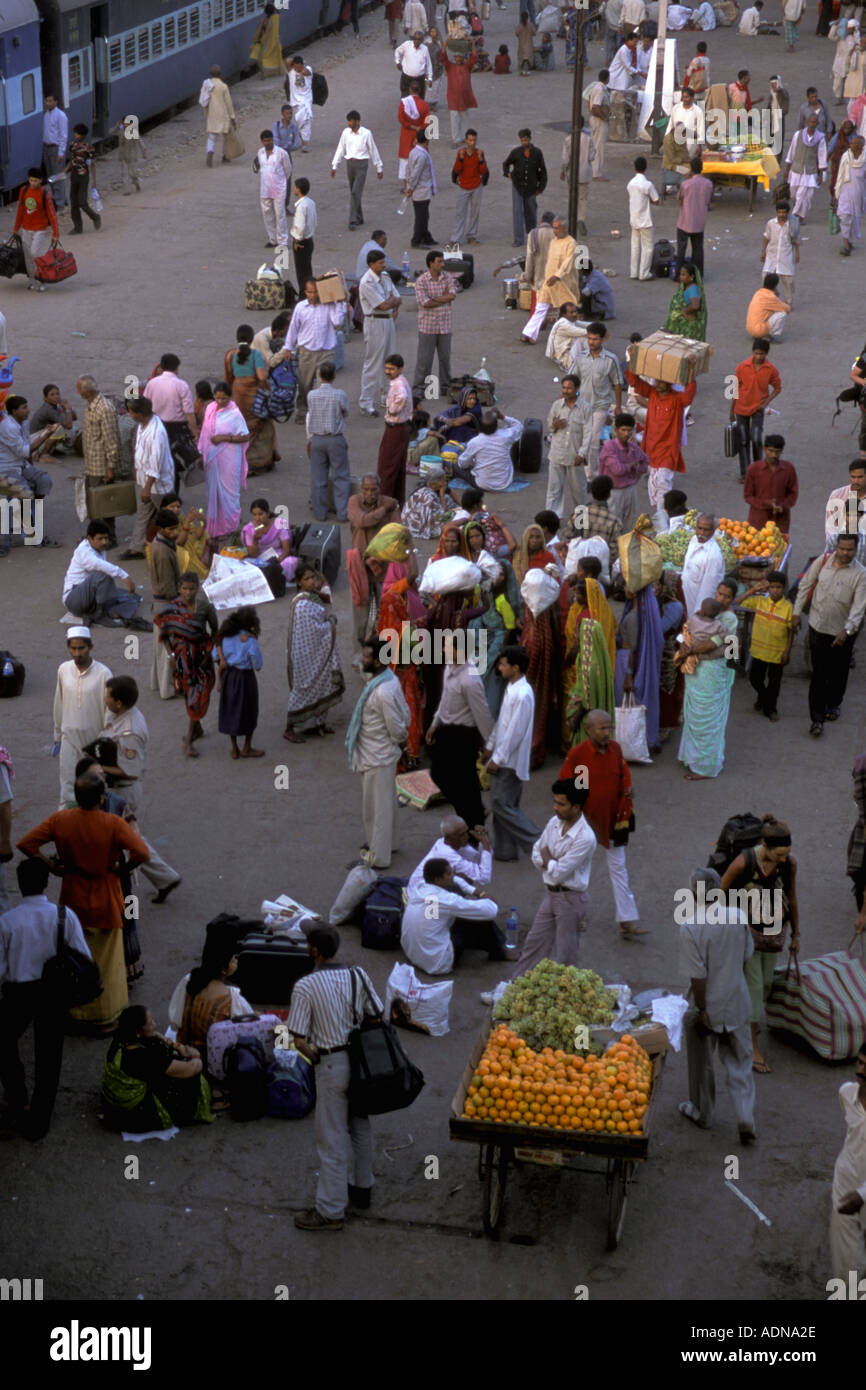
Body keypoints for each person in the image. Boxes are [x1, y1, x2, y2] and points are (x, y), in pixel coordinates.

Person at [17, 771, 150, 1034]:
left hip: (73, 898)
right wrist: (121, 869)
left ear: (77, 798)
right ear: (102, 798)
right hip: (107, 897)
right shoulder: (112, 823)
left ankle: (76, 1012)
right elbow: (142, 853)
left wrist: (52, 866)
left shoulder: (61, 819)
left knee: (74, 956)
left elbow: (26, 843)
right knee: (109, 963)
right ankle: (104, 1018)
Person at [288, 924, 382, 1230]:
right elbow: (376, 1013)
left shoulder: (305, 985)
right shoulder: (358, 974)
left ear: (314, 950)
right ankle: (363, 1186)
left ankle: (329, 1210)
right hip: (362, 1062)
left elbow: (299, 1038)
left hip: (331, 1064)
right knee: (360, 1124)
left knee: (331, 1138)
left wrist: (313, 1053)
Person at [0, 858, 90, 1141]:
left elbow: (1, 969)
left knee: (5, 1043)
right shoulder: (64, 916)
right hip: (53, 992)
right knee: (49, 1056)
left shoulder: (7, 922)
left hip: (18, 993)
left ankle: (18, 1100)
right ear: (46, 882)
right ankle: (40, 1120)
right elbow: (83, 957)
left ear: (20, 884)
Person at [677, 867, 756, 1143]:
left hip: (709, 1005)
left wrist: (702, 1010)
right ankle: (745, 1116)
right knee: (741, 1061)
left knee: (702, 1063)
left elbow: (698, 977)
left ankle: (703, 1113)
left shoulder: (690, 926)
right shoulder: (737, 916)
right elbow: (746, 955)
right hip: (737, 999)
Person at [720, 816, 799, 1074]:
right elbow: (719, 893)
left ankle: (741, 1016)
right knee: (755, 988)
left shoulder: (789, 865)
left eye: (786, 854)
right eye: (779, 854)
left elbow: (792, 897)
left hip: (773, 936)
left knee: (765, 984)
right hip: (747, 934)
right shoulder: (744, 861)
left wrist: (796, 935)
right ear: (765, 845)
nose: (784, 859)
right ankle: (752, 1045)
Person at [559, 709, 643, 937]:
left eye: (610, 728)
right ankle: (574, 916)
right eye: (602, 728)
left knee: (619, 869)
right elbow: (569, 789)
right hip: (585, 825)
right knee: (577, 871)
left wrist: (628, 788)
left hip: (614, 821)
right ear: (589, 730)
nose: (608, 732)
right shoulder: (578, 756)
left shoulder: (615, 749)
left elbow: (623, 773)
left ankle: (626, 920)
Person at [514, 780, 596, 974]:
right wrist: (549, 861)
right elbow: (537, 851)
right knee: (534, 944)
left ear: (576, 807)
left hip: (570, 900)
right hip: (551, 895)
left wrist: (547, 860)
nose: (555, 807)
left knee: (566, 955)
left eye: (561, 804)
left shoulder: (585, 837)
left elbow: (559, 873)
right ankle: (516, 985)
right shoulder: (554, 823)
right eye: (555, 802)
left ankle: (565, 997)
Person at [346, 638, 410, 868]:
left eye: (366, 657)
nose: (363, 660)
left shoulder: (382, 691)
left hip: (378, 755)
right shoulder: (386, 680)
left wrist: (398, 744)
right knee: (386, 803)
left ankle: (379, 856)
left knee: (376, 808)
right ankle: (388, 844)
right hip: (378, 753)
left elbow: (396, 728)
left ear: (379, 661)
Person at [793, 535, 866, 734]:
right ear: (837, 547)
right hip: (817, 627)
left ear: (855, 549)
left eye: (849, 550)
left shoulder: (860, 574)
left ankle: (834, 703)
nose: (844, 553)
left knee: (838, 671)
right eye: (842, 549)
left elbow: (859, 607)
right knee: (818, 674)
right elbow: (806, 585)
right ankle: (817, 719)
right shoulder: (823, 561)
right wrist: (796, 613)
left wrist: (847, 630)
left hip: (842, 633)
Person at [101, 1005, 212, 1131]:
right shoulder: (145, 1056)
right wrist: (195, 1057)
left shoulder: (120, 1040)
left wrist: (170, 1043)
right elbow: (191, 1069)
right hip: (136, 1113)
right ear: (138, 1032)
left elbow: (156, 1038)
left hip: (111, 1106)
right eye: (150, 1022)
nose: (155, 1024)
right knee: (192, 1079)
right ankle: (185, 1114)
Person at [426, 632, 494, 826]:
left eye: (448, 647)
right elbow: (444, 699)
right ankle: (471, 816)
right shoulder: (450, 667)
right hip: (447, 732)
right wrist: (434, 723)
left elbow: (483, 714)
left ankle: (474, 825)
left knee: (465, 783)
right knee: (442, 775)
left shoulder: (470, 680)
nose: (443, 650)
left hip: (463, 737)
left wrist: (490, 745)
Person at [482, 646, 540, 861]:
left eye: (503, 664)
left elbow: (516, 731)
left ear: (515, 668)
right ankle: (505, 850)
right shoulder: (511, 688)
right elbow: (502, 722)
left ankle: (538, 841)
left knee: (501, 805)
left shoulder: (523, 694)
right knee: (505, 805)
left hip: (509, 760)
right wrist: (490, 746)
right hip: (503, 755)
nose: (499, 668)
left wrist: (498, 758)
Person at [678, 579, 738, 779]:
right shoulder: (705, 612)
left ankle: (705, 766)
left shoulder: (728, 620)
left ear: (732, 598)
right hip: (697, 671)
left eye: (727, 596)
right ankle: (692, 757)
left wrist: (690, 649)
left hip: (711, 672)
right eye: (719, 593)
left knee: (707, 717)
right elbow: (686, 633)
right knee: (694, 713)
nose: (721, 598)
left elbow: (713, 644)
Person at [153, 572, 218, 757]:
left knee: (201, 692)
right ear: (179, 588)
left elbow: (214, 630)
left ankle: (196, 729)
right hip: (183, 659)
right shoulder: (172, 609)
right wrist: (172, 654)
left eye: (191, 589)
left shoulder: (205, 607)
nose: (188, 592)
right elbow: (164, 633)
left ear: (197, 589)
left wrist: (210, 651)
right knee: (192, 695)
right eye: (184, 589)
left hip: (202, 657)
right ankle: (189, 738)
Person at [402, 859, 502, 974]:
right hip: (438, 963)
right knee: (474, 917)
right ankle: (499, 951)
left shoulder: (419, 889)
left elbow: (456, 880)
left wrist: (470, 889)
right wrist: (484, 896)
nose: (452, 876)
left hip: (413, 954)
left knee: (450, 907)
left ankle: (496, 947)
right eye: (449, 874)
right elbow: (490, 911)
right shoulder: (447, 900)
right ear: (438, 880)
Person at [53, 629, 112, 808]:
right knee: (68, 788)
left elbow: (109, 712)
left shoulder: (104, 674)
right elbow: (59, 702)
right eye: (73, 648)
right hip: (69, 739)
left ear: (90, 647)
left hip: (94, 743)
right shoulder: (63, 670)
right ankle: (66, 829)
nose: (77, 653)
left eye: (82, 648)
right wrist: (57, 736)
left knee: (97, 787)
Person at [829, 1043, 866, 1280]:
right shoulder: (846, 1093)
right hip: (845, 1186)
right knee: (848, 1272)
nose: (861, 1071)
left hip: (862, 1194)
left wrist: (862, 1195)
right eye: (860, 1062)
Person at [569, 323, 624, 479]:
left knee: (593, 441)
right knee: (581, 438)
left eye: (595, 339)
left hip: (600, 406)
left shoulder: (611, 360)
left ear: (602, 340)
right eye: (589, 338)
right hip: (582, 405)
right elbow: (572, 378)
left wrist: (618, 406)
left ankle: (591, 476)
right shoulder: (580, 358)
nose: (591, 342)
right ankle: (587, 471)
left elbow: (617, 384)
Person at [286, 278, 346, 418]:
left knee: (323, 387)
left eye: (315, 292)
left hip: (326, 352)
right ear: (305, 292)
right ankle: (302, 411)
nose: (312, 295)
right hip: (307, 352)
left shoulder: (329, 305)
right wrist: (287, 348)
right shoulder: (300, 307)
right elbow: (293, 329)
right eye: (310, 292)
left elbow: (338, 322)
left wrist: (339, 302)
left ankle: (319, 414)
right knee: (304, 385)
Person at [62, 522, 142, 628]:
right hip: (74, 600)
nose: (104, 542)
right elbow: (101, 565)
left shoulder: (99, 548)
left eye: (106, 538)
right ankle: (99, 616)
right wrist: (125, 576)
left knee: (132, 598)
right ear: (90, 538)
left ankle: (96, 612)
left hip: (90, 596)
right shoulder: (84, 552)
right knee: (103, 576)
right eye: (100, 539)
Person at [738, 570, 794, 720]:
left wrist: (787, 652)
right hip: (759, 651)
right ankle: (763, 698)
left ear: (784, 588)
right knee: (755, 679)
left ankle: (770, 709)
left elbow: (791, 632)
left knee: (774, 684)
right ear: (767, 589)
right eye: (772, 587)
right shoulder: (759, 602)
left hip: (777, 653)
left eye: (778, 587)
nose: (775, 591)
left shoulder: (788, 608)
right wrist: (753, 590)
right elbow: (736, 603)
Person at [198, 382, 249, 541]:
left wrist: (224, 438)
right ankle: (216, 526)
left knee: (230, 492)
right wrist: (202, 453)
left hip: (229, 456)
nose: (220, 401)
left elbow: (245, 436)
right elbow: (205, 432)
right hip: (212, 457)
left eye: (224, 398)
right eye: (217, 397)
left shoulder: (235, 413)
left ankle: (231, 526)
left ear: (230, 397)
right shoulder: (210, 409)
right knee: (214, 492)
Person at [124, 397, 175, 559]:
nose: (130, 415)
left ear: (140, 413)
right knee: (143, 515)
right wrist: (135, 467)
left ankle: (176, 546)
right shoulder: (142, 425)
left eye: (131, 412)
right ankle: (137, 547)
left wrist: (146, 488)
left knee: (169, 517)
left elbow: (155, 465)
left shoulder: (156, 433)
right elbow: (140, 449)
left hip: (157, 486)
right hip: (143, 480)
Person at [76, 376, 123, 548]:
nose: (78, 393)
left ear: (87, 391)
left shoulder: (105, 409)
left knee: (105, 506)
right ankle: (95, 537)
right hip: (92, 464)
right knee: (95, 505)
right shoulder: (91, 406)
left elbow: (111, 441)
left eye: (80, 390)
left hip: (101, 467)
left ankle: (109, 538)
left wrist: (111, 467)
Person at [520, 215, 582, 344]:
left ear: (564, 228)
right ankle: (528, 333)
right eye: (554, 228)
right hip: (549, 281)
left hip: (564, 283)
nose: (554, 231)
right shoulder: (553, 241)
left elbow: (568, 263)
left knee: (569, 312)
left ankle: (577, 336)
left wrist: (557, 276)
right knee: (541, 307)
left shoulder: (571, 243)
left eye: (557, 228)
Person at [142, 354, 199, 492]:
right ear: (177, 368)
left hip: (155, 426)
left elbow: (145, 407)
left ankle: (157, 491)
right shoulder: (182, 385)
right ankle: (173, 495)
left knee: (157, 461)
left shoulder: (152, 383)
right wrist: (195, 434)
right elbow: (189, 414)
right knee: (175, 463)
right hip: (176, 430)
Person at [730, 339, 782, 483]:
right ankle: (746, 473)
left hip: (758, 409)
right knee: (743, 441)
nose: (759, 356)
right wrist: (731, 411)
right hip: (741, 408)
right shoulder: (742, 367)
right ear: (752, 352)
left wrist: (765, 403)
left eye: (762, 354)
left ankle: (759, 471)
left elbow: (777, 388)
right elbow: (734, 389)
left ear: (766, 354)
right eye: (756, 353)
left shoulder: (770, 369)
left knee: (757, 439)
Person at [305, 361, 350, 523]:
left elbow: (310, 413)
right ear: (334, 376)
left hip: (317, 439)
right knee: (341, 476)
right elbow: (345, 412)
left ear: (319, 375)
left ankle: (320, 513)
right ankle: (343, 513)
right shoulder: (340, 394)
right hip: (335, 438)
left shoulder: (311, 395)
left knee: (318, 478)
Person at [217, 606, 264, 760]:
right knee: (249, 710)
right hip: (245, 678)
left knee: (230, 710)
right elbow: (257, 665)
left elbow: (215, 656)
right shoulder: (249, 640)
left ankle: (235, 749)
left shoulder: (225, 636)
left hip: (228, 677)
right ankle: (247, 747)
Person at [359, 250, 401, 417]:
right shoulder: (366, 282)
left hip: (388, 320)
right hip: (374, 322)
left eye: (384, 262)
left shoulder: (385, 277)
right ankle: (366, 402)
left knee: (390, 358)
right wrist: (391, 302)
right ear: (371, 264)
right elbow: (382, 305)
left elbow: (397, 298)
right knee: (373, 362)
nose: (384, 265)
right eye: (381, 263)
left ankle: (386, 396)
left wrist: (391, 303)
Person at [413, 250, 458, 397]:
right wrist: (444, 297)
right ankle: (420, 388)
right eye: (439, 261)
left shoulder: (448, 277)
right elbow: (424, 302)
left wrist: (434, 298)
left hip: (444, 326)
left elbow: (453, 295)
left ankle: (445, 386)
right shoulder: (421, 281)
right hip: (427, 326)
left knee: (445, 358)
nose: (442, 264)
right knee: (424, 359)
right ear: (431, 263)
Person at [545, 375, 590, 520]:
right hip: (557, 455)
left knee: (579, 493)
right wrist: (555, 426)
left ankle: (581, 523)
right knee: (554, 491)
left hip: (575, 457)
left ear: (577, 389)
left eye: (569, 388)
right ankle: (551, 521)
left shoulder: (585, 408)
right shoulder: (557, 405)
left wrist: (582, 454)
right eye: (564, 387)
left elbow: (588, 434)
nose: (566, 391)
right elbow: (550, 427)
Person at [330, 110, 384, 232]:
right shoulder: (345, 133)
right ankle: (359, 217)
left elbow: (373, 150)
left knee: (355, 191)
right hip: (350, 164)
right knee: (354, 191)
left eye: (351, 121)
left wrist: (378, 167)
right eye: (348, 121)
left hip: (362, 164)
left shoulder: (366, 134)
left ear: (357, 121)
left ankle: (352, 220)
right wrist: (335, 165)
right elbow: (340, 149)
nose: (349, 123)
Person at [598, 412, 649, 529]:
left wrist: (636, 470)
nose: (626, 434)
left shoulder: (633, 448)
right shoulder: (609, 447)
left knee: (630, 523)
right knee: (613, 525)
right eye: (623, 430)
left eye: (629, 431)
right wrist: (631, 466)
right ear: (616, 430)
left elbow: (645, 462)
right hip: (613, 492)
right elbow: (617, 470)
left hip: (630, 490)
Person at [12, 168, 59, 292]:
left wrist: (56, 233)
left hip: (40, 230)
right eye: (31, 180)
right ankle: (32, 281)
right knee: (28, 256)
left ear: (40, 181)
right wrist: (16, 228)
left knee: (35, 254)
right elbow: (20, 210)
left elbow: (52, 215)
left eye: (35, 181)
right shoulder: (24, 191)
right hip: (26, 229)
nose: (32, 183)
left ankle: (42, 280)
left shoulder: (45, 195)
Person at [376, 354, 413, 505]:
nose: (388, 371)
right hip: (401, 429)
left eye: (391, 369)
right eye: (386, 368)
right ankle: (397, 502)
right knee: (397, 468)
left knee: (387, 469)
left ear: (400, 369)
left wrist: (392, 411)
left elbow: (401, 398)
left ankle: (384, 504)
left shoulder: (398, 385)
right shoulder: (400, 381)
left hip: (396, 429)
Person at [456, 409, 523, 490]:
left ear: (480, 426)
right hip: (504, 482)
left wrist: (469, 462)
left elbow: (463, 464)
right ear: (496, 426)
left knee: (456, 465)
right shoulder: (506, 436)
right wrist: (502, 416)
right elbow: (519, 426)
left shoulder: (475, 442)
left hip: (483, 484)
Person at [743, 434, 798, 533]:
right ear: (764, 449)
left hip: (781, 520)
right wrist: (767, 503)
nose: (774, 455)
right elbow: (748, 496)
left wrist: (783, 506)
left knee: (780, 546)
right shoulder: (753, 469)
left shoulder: (789, 469)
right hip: (758, 519)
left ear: (781, 451)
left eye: (777, 452)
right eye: (770, 451)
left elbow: (793, 493)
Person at [503, 128, 548, 246]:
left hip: (531, 187)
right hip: (517, 186)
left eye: (526, 140)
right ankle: (518, 239)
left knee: (531, 212)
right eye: (522, 140)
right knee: (517, 212)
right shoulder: (516, 152)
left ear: (530, 139)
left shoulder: (537, 153)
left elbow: (542, 171)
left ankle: (532, 238)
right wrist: (508, 174)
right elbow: (506, 164)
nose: (524, 142)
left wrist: (540, 188)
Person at [784, 113, 828, 220]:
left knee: (804, 195)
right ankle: (797, 211)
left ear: (817, 123)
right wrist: (787, 169)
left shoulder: (820, 138)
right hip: (796, 169)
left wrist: (820, 174)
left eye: (814, 122)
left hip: (810, 171)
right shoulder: (798, 135)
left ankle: (797, 216)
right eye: (810, 122)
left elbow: (822, 156)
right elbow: (792, 152)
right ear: (807, 123)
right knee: (794, 193)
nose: (812, 124)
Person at [253, 128, 292, 249]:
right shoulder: (260, 153)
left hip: (279, 189)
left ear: (273, 140)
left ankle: (283, 241)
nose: (268, 143)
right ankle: (273, 239)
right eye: (265, 141)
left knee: (280, 215)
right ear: (262, 141)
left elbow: (288, 170)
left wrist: (280, 182)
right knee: (267, 215)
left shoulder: (281, 153)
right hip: (265, 189)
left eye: (270, 140)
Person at [674, 159, 713, 279]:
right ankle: (698, 274)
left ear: (691, 168)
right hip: (699, 221)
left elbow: (680, 199)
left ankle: (678, 274)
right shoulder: (708, 184)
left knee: (681, 248)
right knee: (697, 249)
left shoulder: (685, 184)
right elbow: (708, 201)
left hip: (685, 221)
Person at [681, 514, 725, 617]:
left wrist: (699, 612)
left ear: (713, 531)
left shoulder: (714, 556)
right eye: (699, 528)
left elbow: (709, 589)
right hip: (684, 601)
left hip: (694, 610)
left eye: (706, 530)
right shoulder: (693, 541)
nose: (701, 533)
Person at [450, 129, 489, 245]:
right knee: (460, 213)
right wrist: (461, 159)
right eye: (470, 140)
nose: (472, 143)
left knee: (474, 213)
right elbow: (457, 169)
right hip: (464, 186)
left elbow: (483, 171)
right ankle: (455, 238)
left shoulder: (479, 154)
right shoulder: (461, 153)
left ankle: (471, 235)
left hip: (476, 185)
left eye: (474, 140)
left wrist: (481, 160)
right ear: (466, 140)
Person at [64, 123, 100, 236]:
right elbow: (72, 160)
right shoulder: (72, 145)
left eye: (77, 133)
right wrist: (65, 171)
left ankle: (95, 217)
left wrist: (94, 182)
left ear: (82, 135)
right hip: (74, 175)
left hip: (84, 176)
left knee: (82, 202)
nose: (75, 135)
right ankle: (77, 227)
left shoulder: (89, 148)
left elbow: (92, 165)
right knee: (74, 202)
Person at [627, 156, 659, 283]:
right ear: (645, 168)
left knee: (635, 245)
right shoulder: (647, 184)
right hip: (645, 220)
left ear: (635, 168)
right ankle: (644, 273)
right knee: (647, 247)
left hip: (634, 218)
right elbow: (656, 200)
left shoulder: (630, 183)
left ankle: (633, 272)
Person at [826, 460, 866, 561]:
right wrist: (844, 547)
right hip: (839, 550)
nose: (856, 481)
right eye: (853, 477)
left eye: (860, 477)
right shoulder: (836, 495)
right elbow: (830, 527)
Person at [761, 202, 800, 305]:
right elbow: (766, 237)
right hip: (771, 255)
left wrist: (797, 254)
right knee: (765, 277)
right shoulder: (771, 223)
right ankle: (774, 295)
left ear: (787, 213)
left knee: (787, 281)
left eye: (784, 212)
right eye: (779, 212)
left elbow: (795, 240)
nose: (781, 214)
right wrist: (763, 252)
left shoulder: (792, 225)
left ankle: (788, 302)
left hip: (785, 255)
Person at [405, 126, 437, 248]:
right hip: (421, 190)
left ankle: (426, 236)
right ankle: (417, 239)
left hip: (419, 190)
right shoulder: (422, 156)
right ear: (427, 141)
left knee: (423, 215)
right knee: (421, 217)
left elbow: (408, 170)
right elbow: (415, 174)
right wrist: (410, 188)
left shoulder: (413, 152)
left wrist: (408, 186)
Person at [440, 45, 478, 146]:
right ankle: (456, 139)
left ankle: (464, 137)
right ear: (454, 58)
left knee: (464, 117)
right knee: (454, 118)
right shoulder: (450, 66)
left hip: (465, 97)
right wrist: (447, 42)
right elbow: (443, 56)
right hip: (453, 98)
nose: (458, 59)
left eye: (460, 57)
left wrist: (472, 43)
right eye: (456, 57)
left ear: (463, 58)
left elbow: (474, 56)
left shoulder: (467, 66)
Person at [200, 65, 237, 166]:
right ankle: (225, 156)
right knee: (225, 136)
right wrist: (232, 117)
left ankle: (210, 151)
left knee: (212, 136)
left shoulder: (207, 85)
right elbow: (228, 103)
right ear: (220, 74)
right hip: (223, 114)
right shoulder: (223, 86)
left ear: (211, 74)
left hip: (212, 114)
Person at [836, 134, 866, 255]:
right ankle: (845, 244)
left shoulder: (864, 159)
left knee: (855, 218)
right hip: (845, 191)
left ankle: (849, 240)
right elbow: (840, 176)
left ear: (859, 146)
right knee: (844, 216)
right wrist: (836, 193)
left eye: (853, 143)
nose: (851, 145)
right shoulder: (845, 157)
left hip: (858, 193)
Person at [397, 83, 430, 180]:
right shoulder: (425, 105)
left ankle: (406, 185)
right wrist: (420, 129)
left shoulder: (404, 103)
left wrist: (411, 126)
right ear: (419, 90)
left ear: (410, 90)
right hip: (420, 135)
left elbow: (401, 119)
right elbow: (427, 122)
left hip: (406, 135)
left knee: (405, 159)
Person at [746, 273, 791, 342]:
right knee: (782, 313)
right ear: (775, 285)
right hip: (758, 330)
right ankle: (768, 336)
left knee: (770, 310)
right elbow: (787, 309)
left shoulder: (758, 293)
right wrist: (777, 297)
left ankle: (758, 335)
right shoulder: (771, 297)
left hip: (749, 329)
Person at [41, 94, 68, 210]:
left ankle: (59, 204)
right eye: (47, 101)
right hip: (47, 148)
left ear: (56, 102)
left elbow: (63, 135)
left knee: (58, 176)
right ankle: (60, 199)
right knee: (51, 176)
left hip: (56, 148)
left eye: (50, 101)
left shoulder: (61, 116)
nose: (48, 103)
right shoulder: (46, 115)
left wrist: (61, 152)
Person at [290, 177, 317, 291]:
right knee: (307, 269)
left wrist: (297, 241)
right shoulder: (310, 202)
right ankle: (310, 291)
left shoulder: (301, 206)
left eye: (295, 187)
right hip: (309, 240)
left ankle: (303, 294)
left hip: (301, 242)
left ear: (298, 190)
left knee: (301, 272)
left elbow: (300, 226)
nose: (294, 189)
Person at [586, 70, 611, 182]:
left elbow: (588, 99)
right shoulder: (601, 90)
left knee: (594, 144)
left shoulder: (595, 87)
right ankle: (596, 173)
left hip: (593, 119)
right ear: (607, 78)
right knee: (599, 146)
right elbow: (596, 106)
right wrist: (603, 117)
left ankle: (593, 170)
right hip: (599, 121)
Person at [286, 55, 314, 151]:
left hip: (306, 100)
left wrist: (302, 71)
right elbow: (287, 60)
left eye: (299, 67)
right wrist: (294, 64)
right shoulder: (291, 72)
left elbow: (307, 72)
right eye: (295, 67)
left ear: (303, 65)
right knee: (299, 119)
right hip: (296, 101)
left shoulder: (307, 69)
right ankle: (301, 134)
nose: (297, 69)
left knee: (307, 119)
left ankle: (305, 143)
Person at [395, 31, 434, 96]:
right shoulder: (406, 45)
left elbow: (428, 65)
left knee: (420, 99)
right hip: (406, 78)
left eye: (419, 39)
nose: (416, 41)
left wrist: (429, 78)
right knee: (405, 98)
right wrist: (397, 62)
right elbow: (397, 51)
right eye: (415, 39)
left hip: (420, 79)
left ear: (422, 40)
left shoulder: (425, 49)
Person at [250, 4, 283, 77]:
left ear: (265, 12)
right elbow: (280, 13)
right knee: (275, 58)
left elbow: (260, 31)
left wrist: (257, 40)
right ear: (273, 11)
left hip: (265, 43)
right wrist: (276, 8)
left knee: (261, 58)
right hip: (275, 42)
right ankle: (276, 72)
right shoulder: (276, 18)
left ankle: (264, 73)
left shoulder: (264, 21)